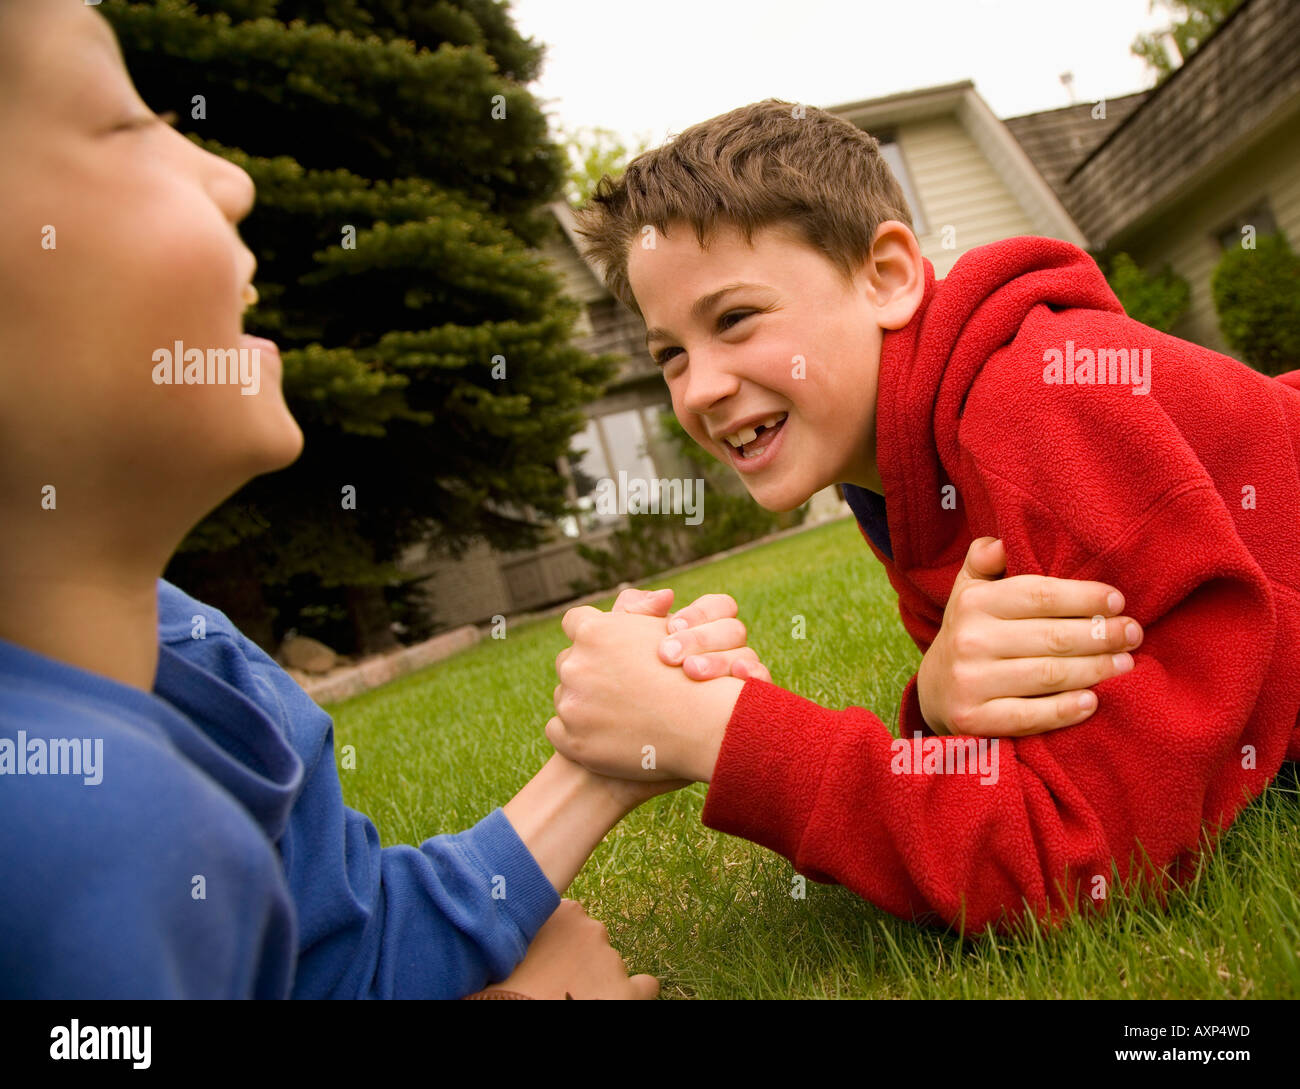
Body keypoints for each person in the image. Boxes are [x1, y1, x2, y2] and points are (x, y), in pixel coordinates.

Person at [550, 98, 1300, 936]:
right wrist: (937, 704)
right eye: (671, 355)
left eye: (734, 319)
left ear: (889, 275)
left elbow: (1084, 859)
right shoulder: (895, 465)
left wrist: (723, 734)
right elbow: (1030, 747)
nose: (700, 387)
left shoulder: (1035, 406)